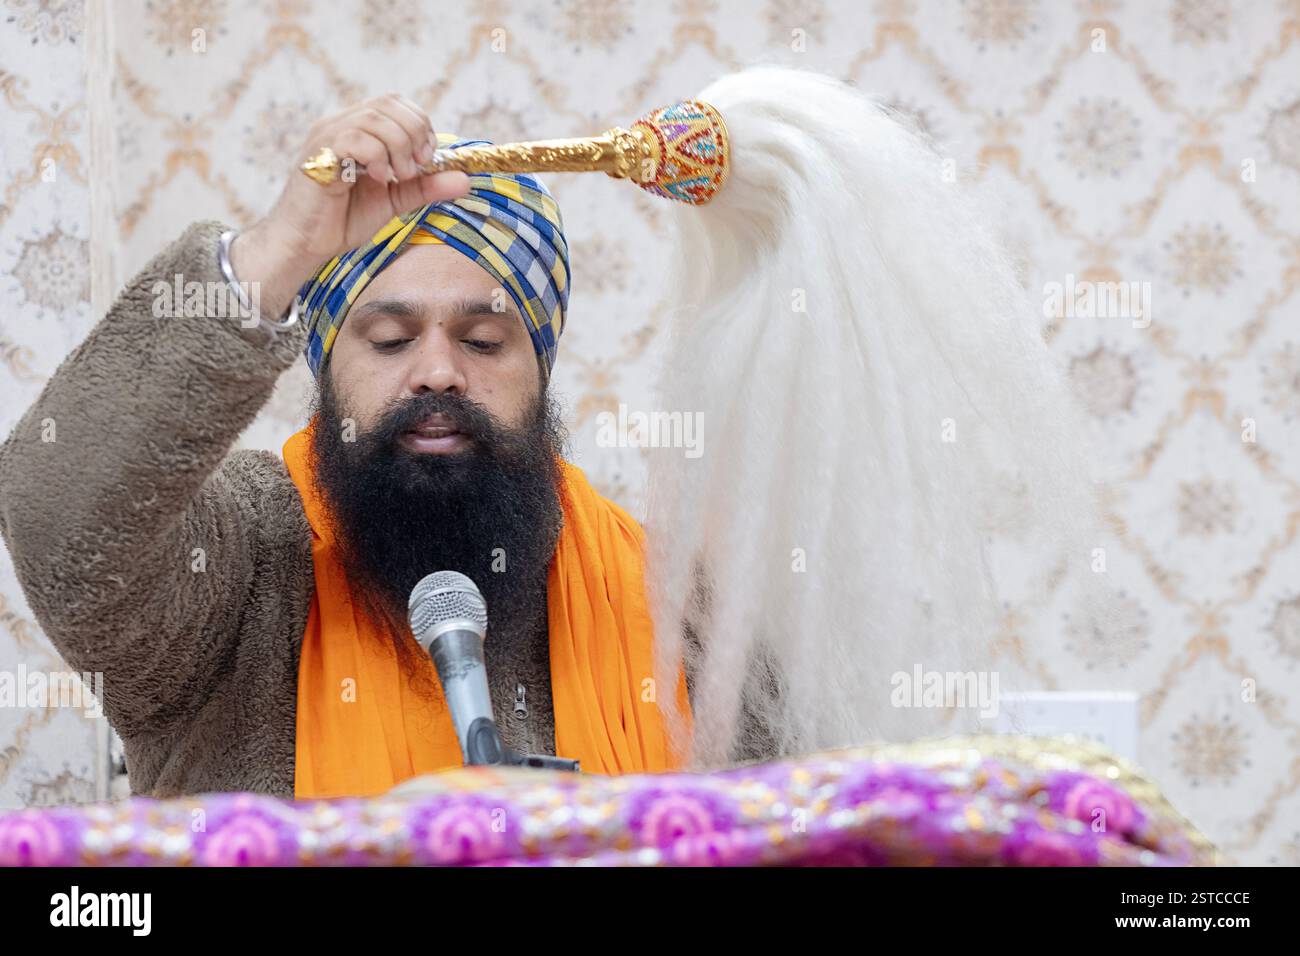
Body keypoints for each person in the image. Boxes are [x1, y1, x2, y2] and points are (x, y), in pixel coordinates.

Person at [0, 94, 689, 800]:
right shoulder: (243, 556)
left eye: (482, 342)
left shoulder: (665, 602)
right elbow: (55, 519)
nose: (438, 373)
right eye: (390, 340)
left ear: (541, 372)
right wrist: (278, 252)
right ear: (326, 368)